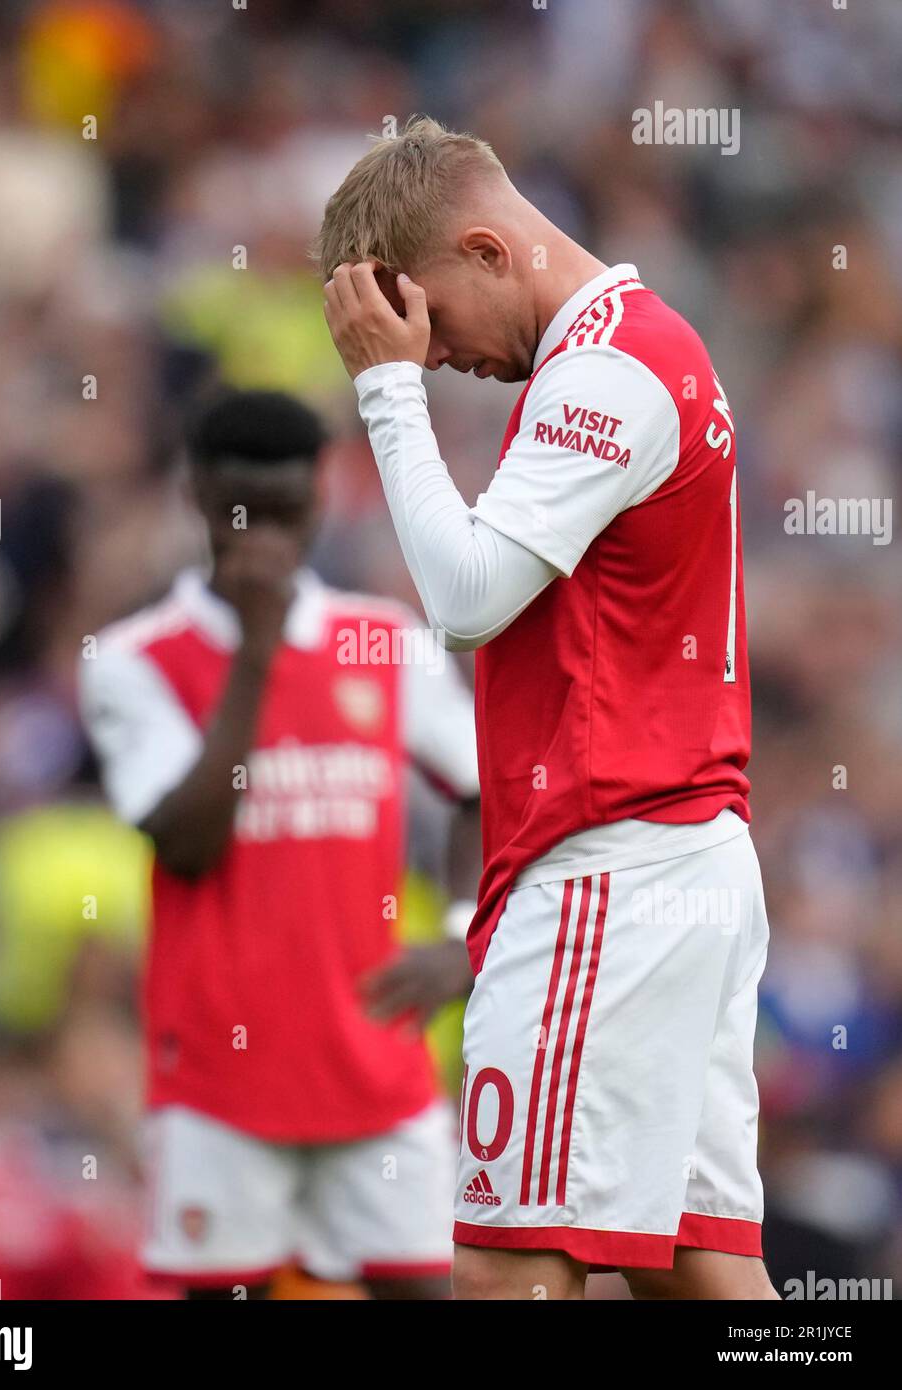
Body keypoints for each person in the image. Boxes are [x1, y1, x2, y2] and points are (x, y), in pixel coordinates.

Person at [318, 116, 777, 1301]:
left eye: (432, 325)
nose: (436, 359)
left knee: (503, 1265)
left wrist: (382, 395)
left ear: (483, 249)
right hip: (680, 860)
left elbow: (466, 598)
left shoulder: (607, 371)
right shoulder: (645, 346)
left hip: (607, 871)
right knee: (703, 1277)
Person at [78, 385, 481, 1300]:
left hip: (373, 1061)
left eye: (287, 509)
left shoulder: (382, 640)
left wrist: (466, 936)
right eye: (239, 509)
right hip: (220, 1079)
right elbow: (186, 843)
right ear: (195, 496)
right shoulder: (135, 659)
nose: (264, 533)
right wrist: (256, 656)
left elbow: (482, 790)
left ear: (322, 499)